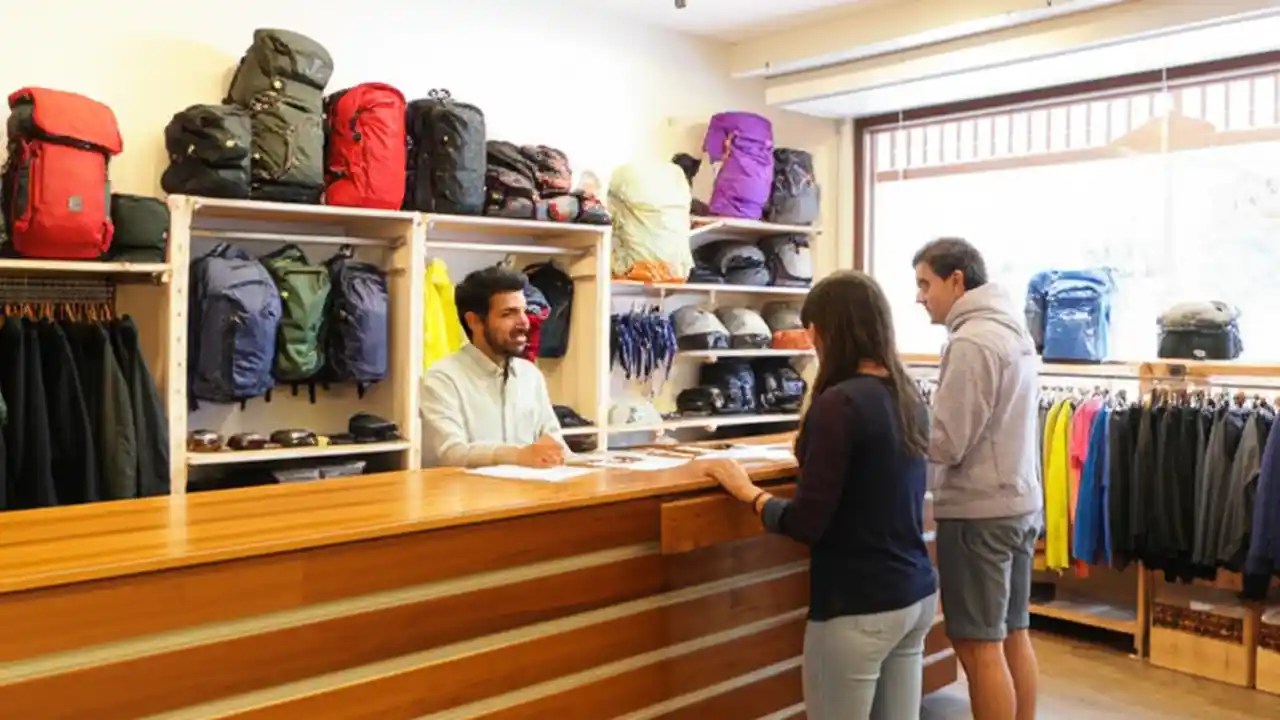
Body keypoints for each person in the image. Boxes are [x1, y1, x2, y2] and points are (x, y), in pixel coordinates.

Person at [695, 270, 938, 720]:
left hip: (858, 604)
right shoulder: (907, 395)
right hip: (916, 594)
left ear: (823, 332)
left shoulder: (840, 403)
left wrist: (749, 494)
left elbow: (808, 522)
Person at [912, 237, 1042, 720]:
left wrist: (908, 426)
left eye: (925, 284)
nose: (921, 296)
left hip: (978, 513)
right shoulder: (1014, 332)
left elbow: (947, 441)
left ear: (956, 280)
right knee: (1013, 633)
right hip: (1019, 504)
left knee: (978, 646)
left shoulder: (971, 341)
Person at [421, 265, 566, 468]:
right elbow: (450, 453)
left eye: (524, 311)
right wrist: (517, 455)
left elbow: (555, 443)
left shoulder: (530, 376)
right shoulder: (442, 379)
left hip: (531, 496)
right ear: (474, 321)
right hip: (471, 498)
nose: (524, 322)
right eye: (509, 314)